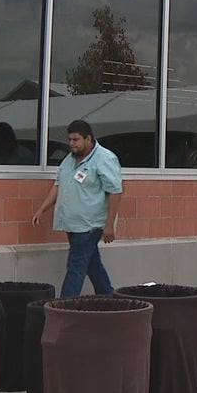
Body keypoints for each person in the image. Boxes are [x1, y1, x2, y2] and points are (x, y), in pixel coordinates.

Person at [32, 120, 123, 297]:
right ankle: (109, 297)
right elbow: (58, 186)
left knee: (76, 267)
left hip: (90, 225)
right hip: (72, 223)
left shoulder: (105, 159)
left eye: (76, 139)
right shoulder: (69, 159)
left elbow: (115, 192)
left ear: (88, 139)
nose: (72, 144)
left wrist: (109, 225)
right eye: (70, 140)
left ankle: (64, 307)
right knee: (92, 264)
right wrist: (42, 209)